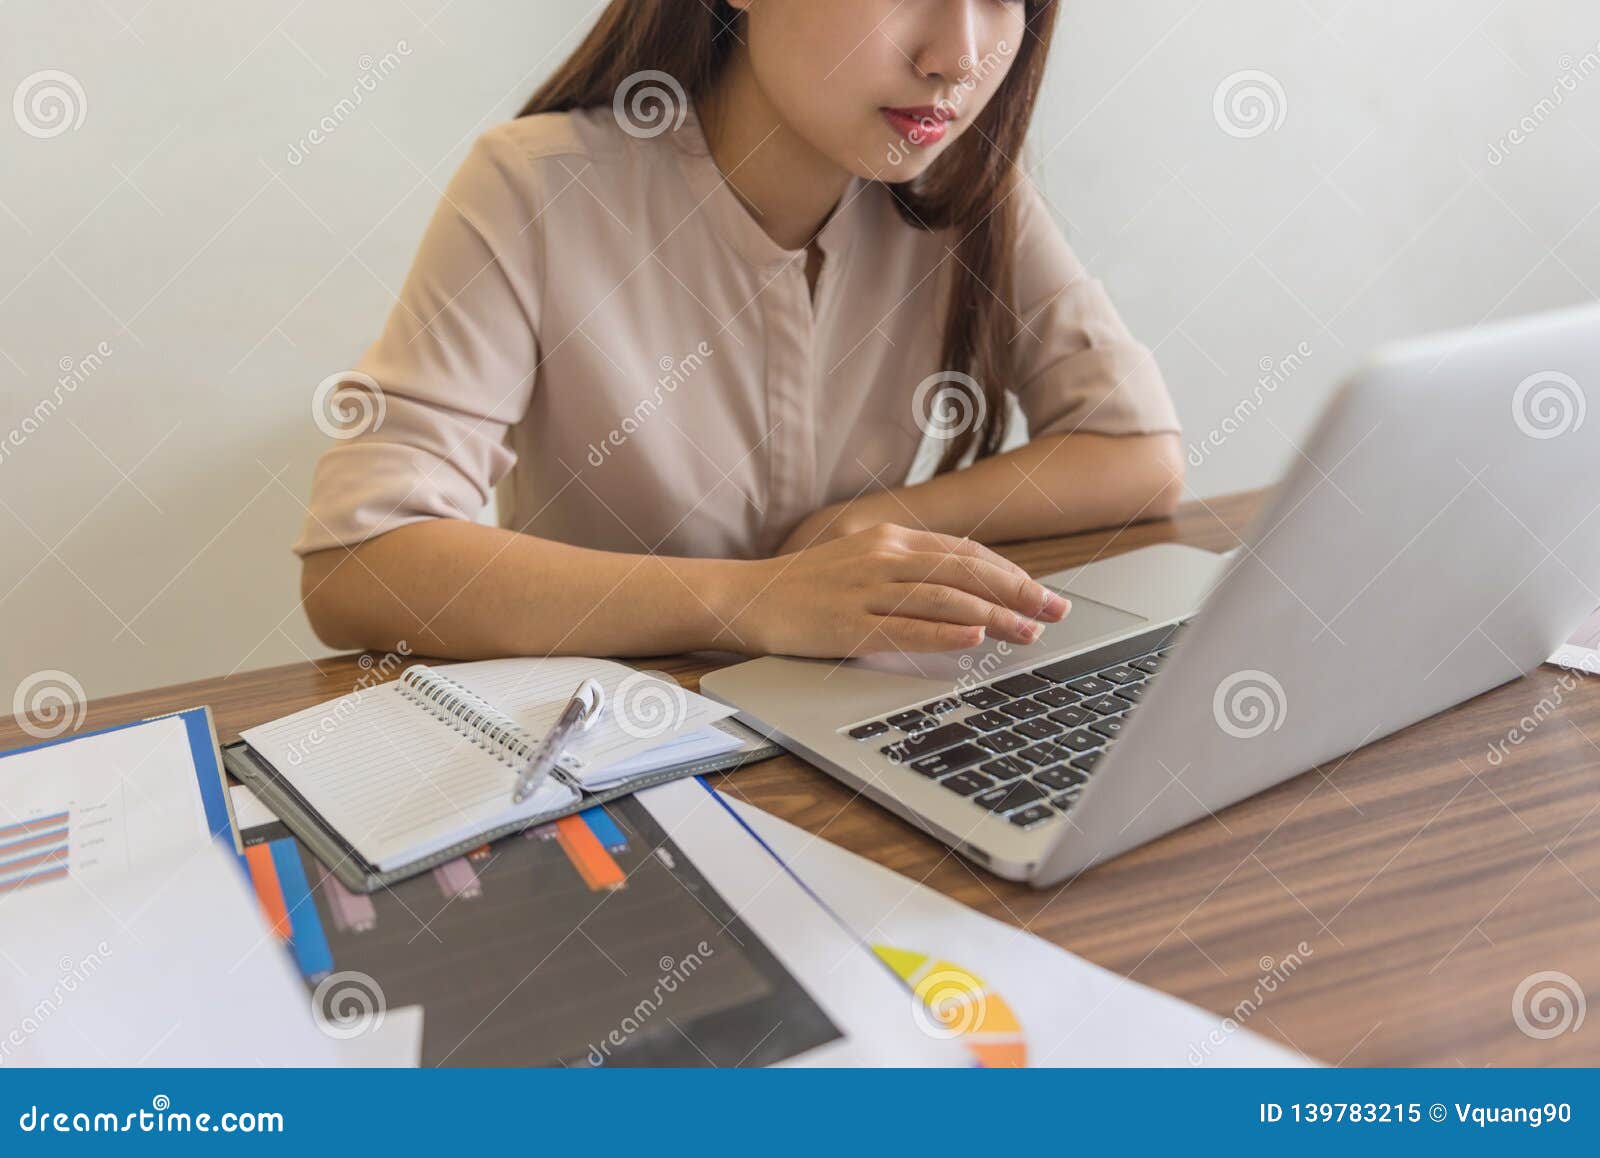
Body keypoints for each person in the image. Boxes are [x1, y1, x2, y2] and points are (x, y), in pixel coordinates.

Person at [297, 0, 1183, 661]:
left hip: (833, 722)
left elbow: (1138, 451)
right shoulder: (534, 185)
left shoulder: (967, 196)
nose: (958, 54)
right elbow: (357, 566)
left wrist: (863, 524)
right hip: (598, 744)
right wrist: (750, 600)